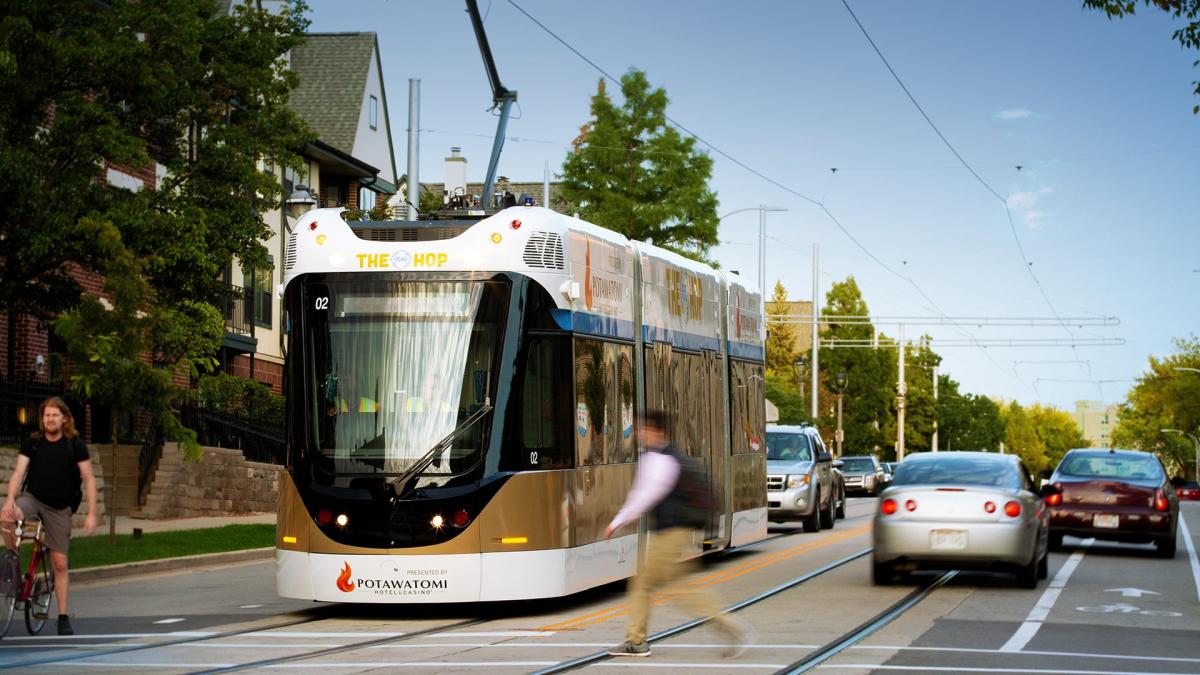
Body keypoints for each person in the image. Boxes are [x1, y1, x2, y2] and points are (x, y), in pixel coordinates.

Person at [603, 410, 751, 658]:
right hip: (671, 530)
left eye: (643, 428)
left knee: (645, 584)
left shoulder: (661, 459)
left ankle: (637, 641)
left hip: (669, 532)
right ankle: (729, 627)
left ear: (657, 431)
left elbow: (646, 494)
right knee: (677, 587)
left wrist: (618, 521)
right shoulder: (664, 456)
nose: (639, 433)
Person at [1, 397, 98, 635]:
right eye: (47, 415)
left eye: (55, 415)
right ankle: (13, 559)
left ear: (64, 418)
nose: (50, 419)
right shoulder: (32, 443)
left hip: (60, 508)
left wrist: (92, 514)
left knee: (60, 563)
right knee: (5, 518)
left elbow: (89, 478)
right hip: (33, 499)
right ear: (42, 418)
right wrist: (10, 499)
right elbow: (18, 473)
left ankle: (63, 616)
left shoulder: (74, 445)